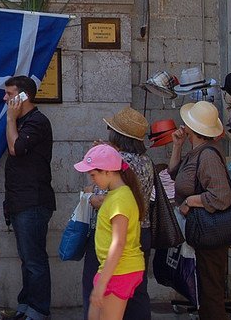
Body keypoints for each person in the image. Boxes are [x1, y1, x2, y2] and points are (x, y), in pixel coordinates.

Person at [82, 107, 154, 320]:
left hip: (117, 239)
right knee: (138, 301)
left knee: (99, 298)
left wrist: (89, 193)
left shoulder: (119, 165)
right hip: (141, 234)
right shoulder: (146, 161)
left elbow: (97, 198)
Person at [168, 101, 231, 320]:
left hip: (210, 233)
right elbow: (176, 175)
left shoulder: (207, 156)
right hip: (201, 232)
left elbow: (222, 196)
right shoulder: (196, 152)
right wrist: (177, 145)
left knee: (210, 295)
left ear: (191, 126)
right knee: (205, 293)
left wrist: (190, 202)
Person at [3, 75, 55, 320]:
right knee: (26, 258)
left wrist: (11, 119)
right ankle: (26, 304)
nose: (5, 99)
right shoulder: (22, 121)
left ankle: (38, 309)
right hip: (19, 201)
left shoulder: (37, 122)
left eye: (10, 94)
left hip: (33, 201)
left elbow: (16, 149)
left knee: (34, 259)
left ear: (24, 96)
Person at [74, 144, 146, 320]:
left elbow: (118, 243)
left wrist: (102, 284)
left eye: (93, 175)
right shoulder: (117, 195)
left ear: (108, 171)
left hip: (119, 270)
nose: (93, 180)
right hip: (114, 269)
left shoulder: (120, 198)